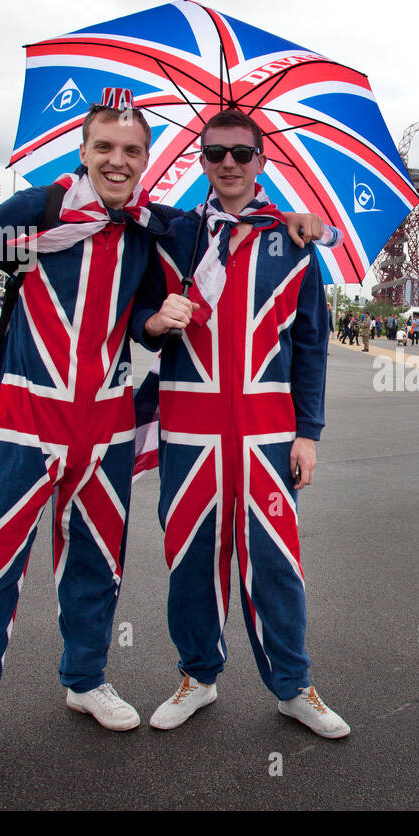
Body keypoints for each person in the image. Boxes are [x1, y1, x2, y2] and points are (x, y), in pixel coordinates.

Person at [0, 103, 336, 782]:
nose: (117, 161)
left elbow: (147, 315)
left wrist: (289, 221)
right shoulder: (41, 209)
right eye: (105, 148)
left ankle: (85, 680)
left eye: (131, 152)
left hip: (110, 425)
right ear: (84, 151)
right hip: (28, 419)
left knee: (96, 565)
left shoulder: (149, 227)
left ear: (147, 161)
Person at [132, 108, 348, 739]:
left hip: (267, 430)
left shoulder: (294, 240)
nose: (228, 163)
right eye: (215, 152)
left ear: (261, 162)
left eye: (241, 153)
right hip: (188, 430)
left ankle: (293, 684)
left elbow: (311, 344)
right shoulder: (172, 234)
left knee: (277, 562)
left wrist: (308, 432)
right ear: (200, 159)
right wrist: (152, 319)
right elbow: (133, 308)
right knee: (190, 557)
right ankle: (198, 677)